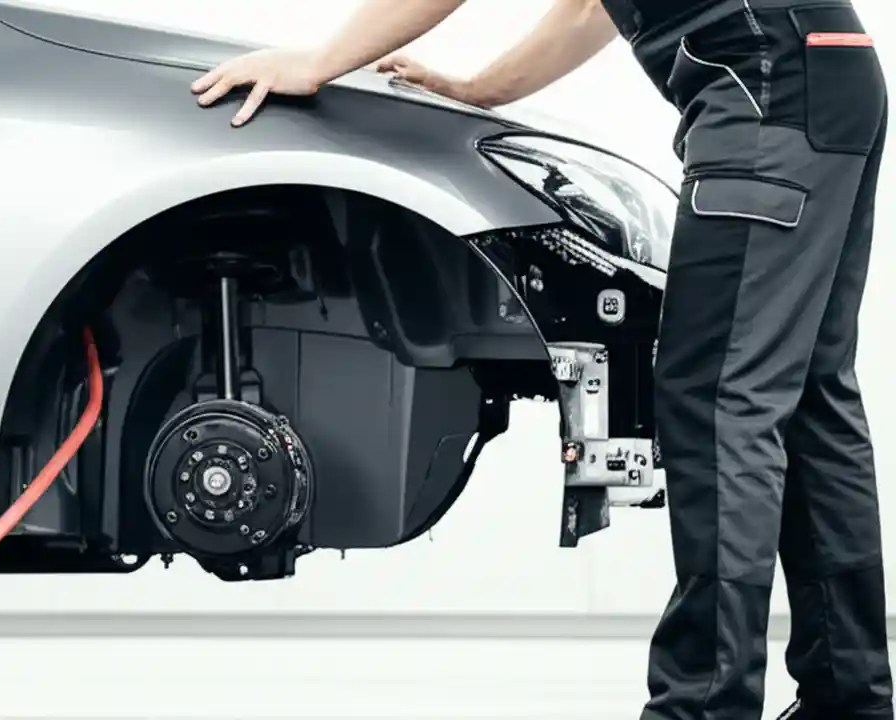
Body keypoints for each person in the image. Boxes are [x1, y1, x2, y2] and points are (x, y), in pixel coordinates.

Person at [192, 1, 892, 718]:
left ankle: (707, 704)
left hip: (767, 94)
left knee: (717, 398)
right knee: (808, 394)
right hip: (828, 74)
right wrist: (479, 92)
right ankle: (849, 695)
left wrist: (316, 64)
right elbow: (591, 7)